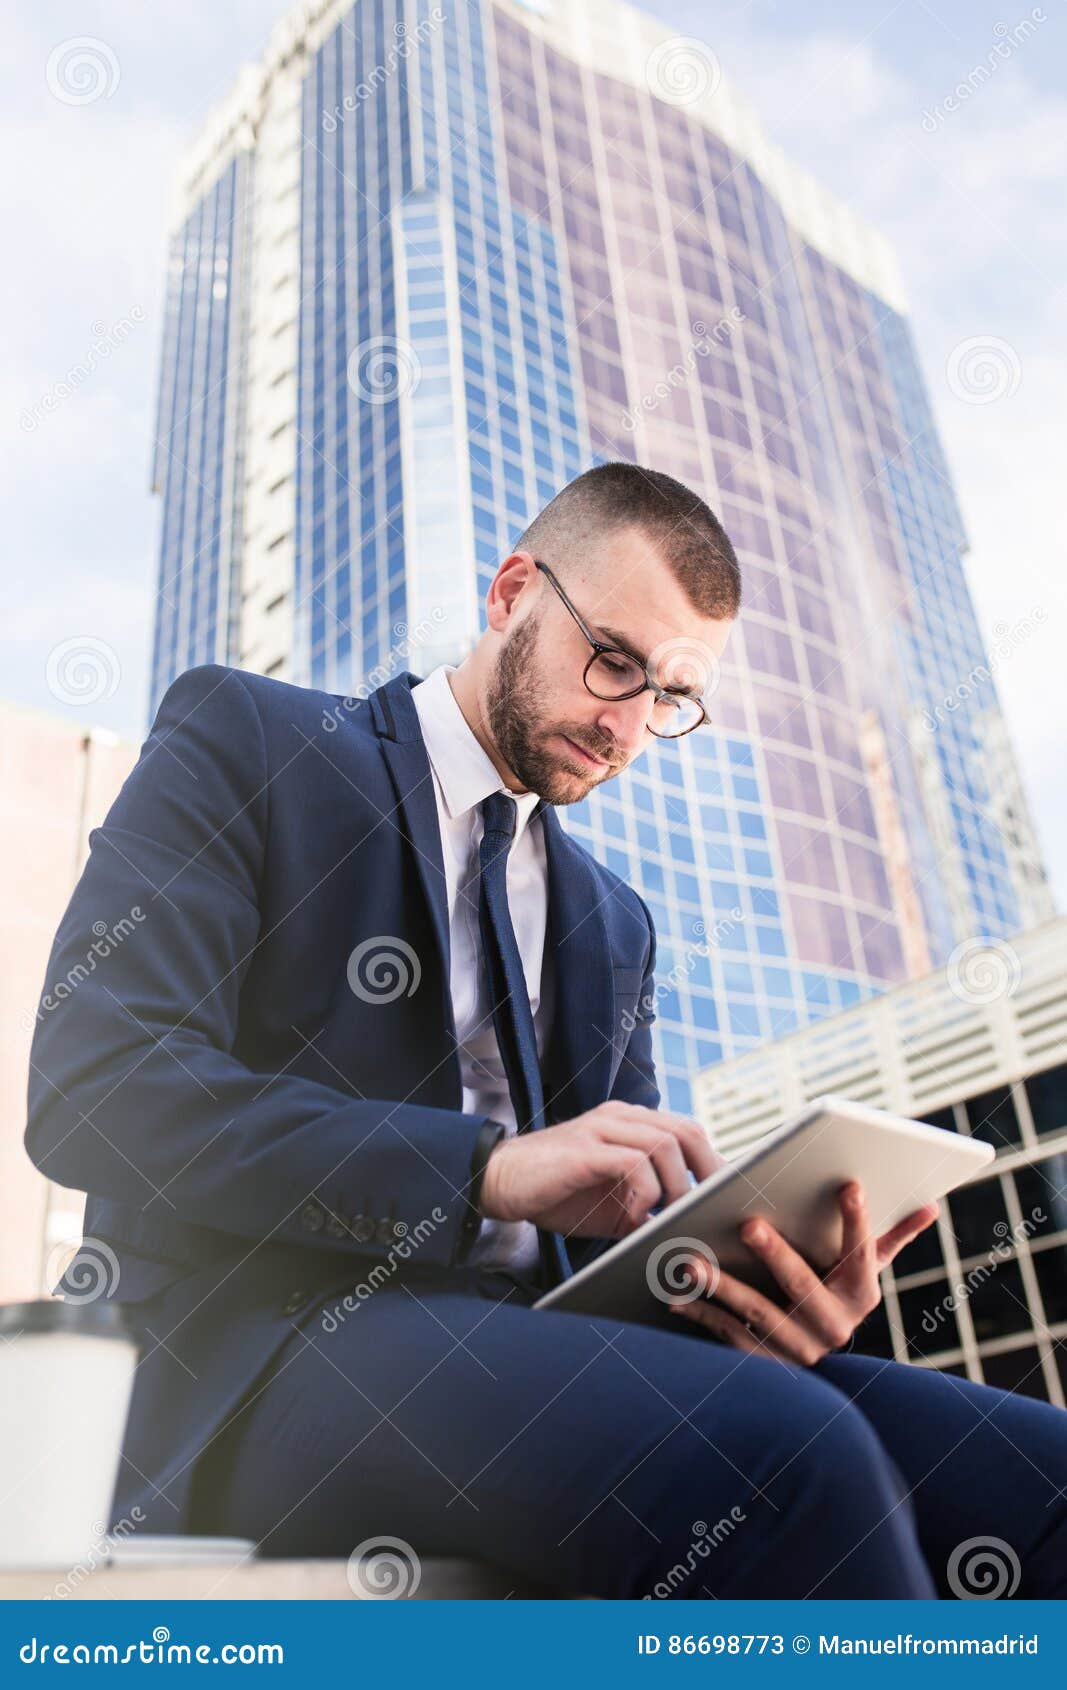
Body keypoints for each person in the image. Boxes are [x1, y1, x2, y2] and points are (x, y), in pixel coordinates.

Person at [26, 463, 1067, 1598]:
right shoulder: (253, 740)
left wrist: (741, 1292)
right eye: (612, 661)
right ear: (512, 590)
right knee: (788, 1460)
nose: (624, 724)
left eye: (667, 697)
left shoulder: (614, 924)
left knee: (1033, 1474)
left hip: (540, 1352)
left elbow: (617, 1222)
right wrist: (486, 1171)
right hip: (263, 1357)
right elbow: (98, 1089)